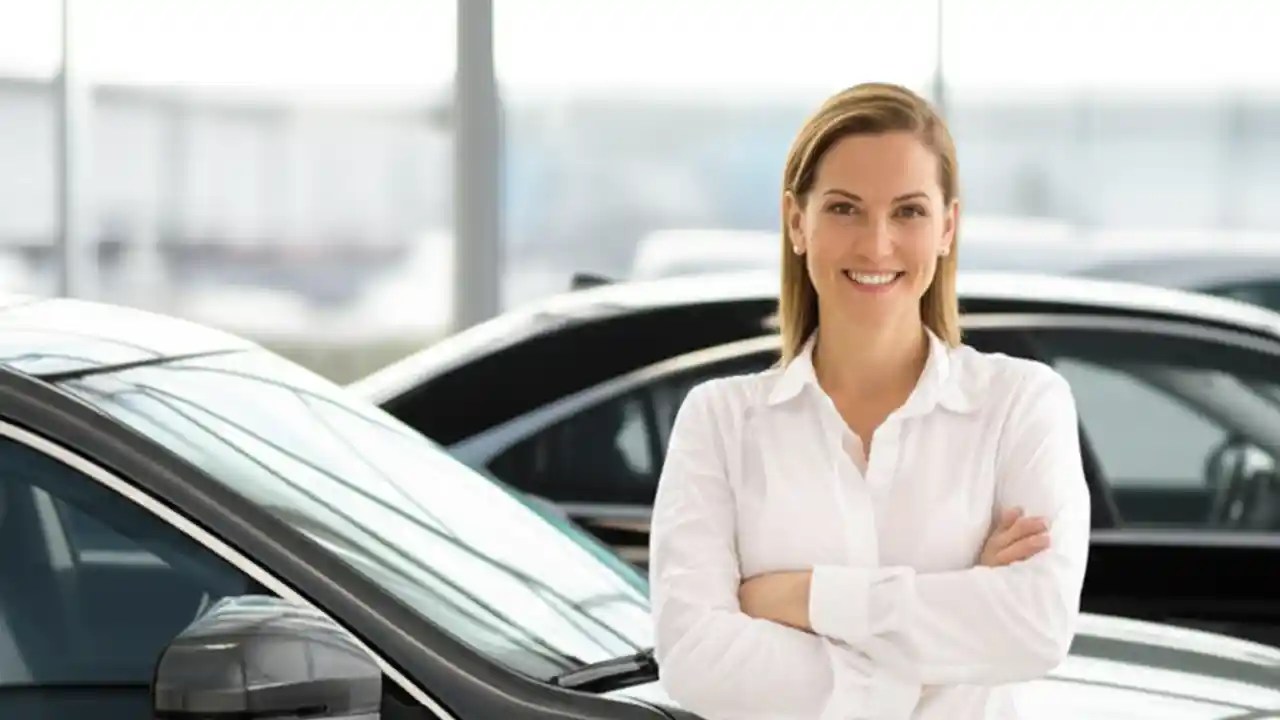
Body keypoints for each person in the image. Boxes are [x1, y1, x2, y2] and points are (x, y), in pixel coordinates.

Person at [647, 82, 1091, 719]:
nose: (877, 244)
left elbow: (1035, 627)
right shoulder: (719, 422)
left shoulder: (1021, 405)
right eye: (845, 209)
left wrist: (801, 600)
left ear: (948, 227)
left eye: (908, 211)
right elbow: (694, 657)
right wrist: (952, 630)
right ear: (798, 223)